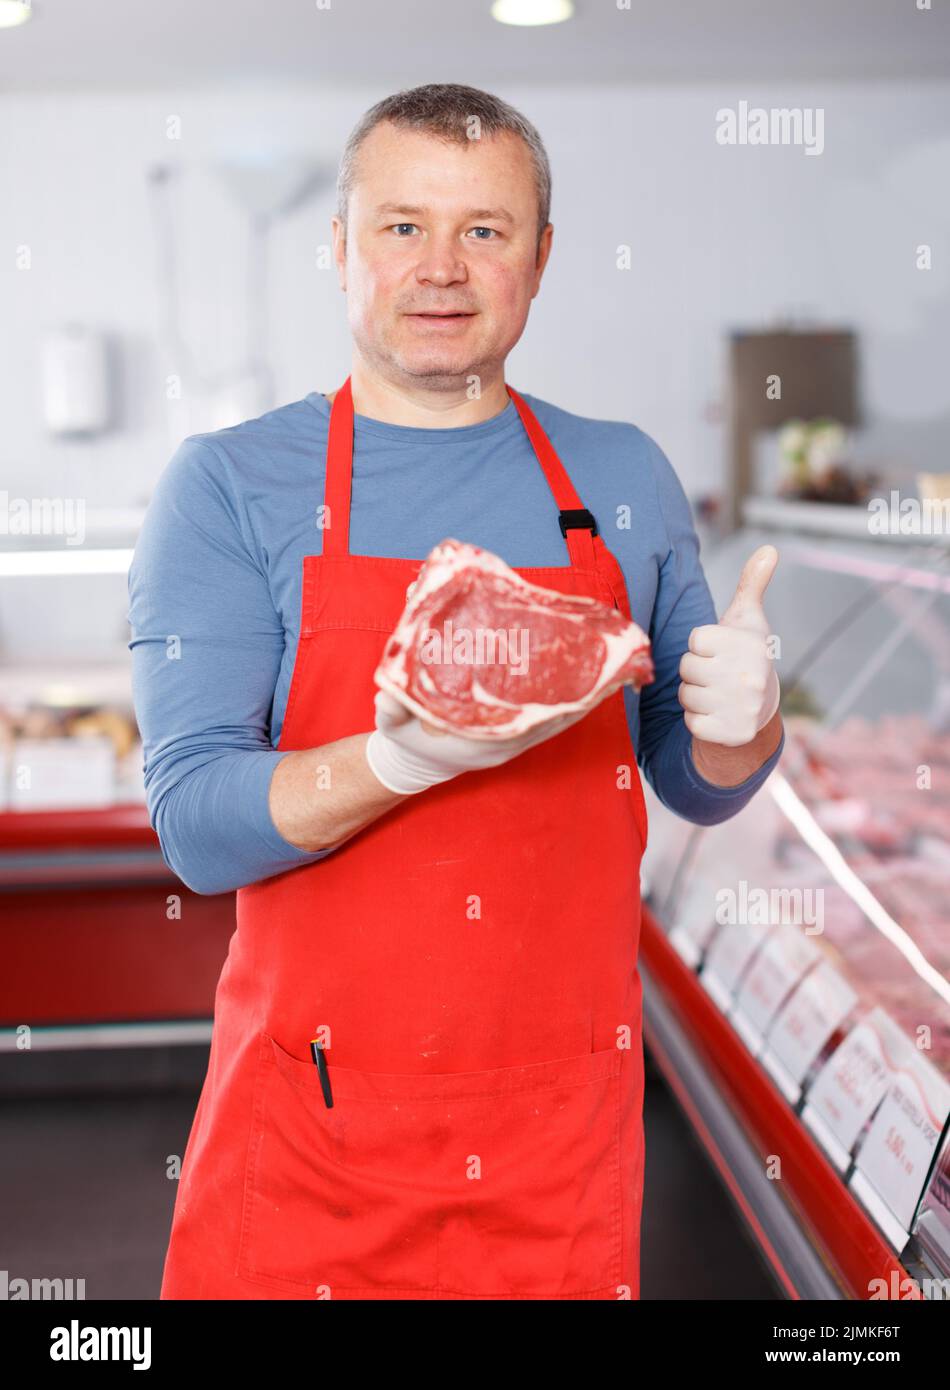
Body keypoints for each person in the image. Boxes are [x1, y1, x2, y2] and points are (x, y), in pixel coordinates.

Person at [129, 82, 784, 1301]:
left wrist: (747, 723)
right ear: (338, 248)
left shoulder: (619, 470)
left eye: (484, 229)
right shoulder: (229, 483)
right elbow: (195, 827)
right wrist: (402, 761)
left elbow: (693, 781)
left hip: (562, 1121)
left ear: (540, 256)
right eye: (399, 226)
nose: (441, 267)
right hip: (317, 1122)